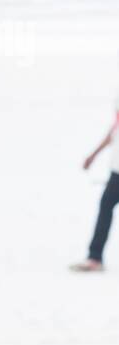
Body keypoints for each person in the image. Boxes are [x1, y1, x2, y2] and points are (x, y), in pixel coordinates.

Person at [70, 84, 119, 271]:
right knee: (105, 206)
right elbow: (113, 132)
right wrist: (93, 155)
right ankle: (95, 257)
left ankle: (95, 257)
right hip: (116, 171)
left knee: (106, 206)